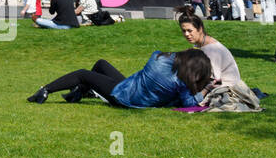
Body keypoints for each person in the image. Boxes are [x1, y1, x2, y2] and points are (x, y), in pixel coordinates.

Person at [28, 49, 215, 108]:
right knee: (101, 64)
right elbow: (189, 103)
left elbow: (165, 55)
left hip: (122, 96)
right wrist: (206, 88)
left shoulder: (157, 58)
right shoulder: (182, 84)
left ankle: (45, 90)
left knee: (82, 74)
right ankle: (79, 92)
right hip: (129, 91)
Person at [178, 13, 242, 85]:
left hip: (227, 89)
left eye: (189, 30)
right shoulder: (199, 44)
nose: (186, 34)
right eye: (184, 31)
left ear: (200, 29)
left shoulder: (211, 49)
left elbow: (214, 81)